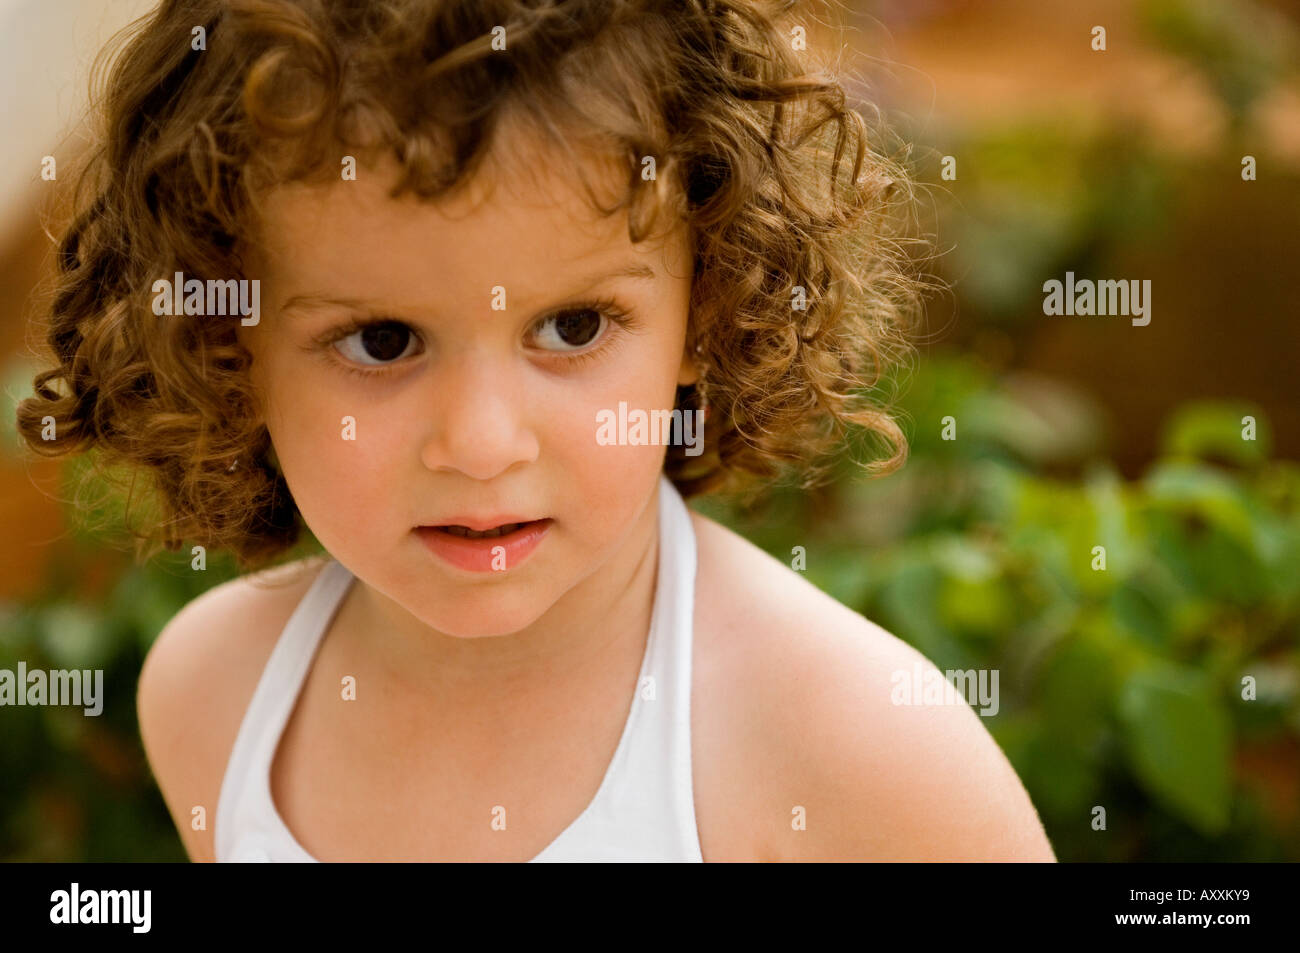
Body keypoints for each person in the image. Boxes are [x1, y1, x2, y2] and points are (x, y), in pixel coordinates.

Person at [17, 0, 1055, 862]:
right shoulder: (216, 694)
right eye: (381, 340)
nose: (479, 443)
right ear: (222, 338)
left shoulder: (850, 742)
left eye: (571, 327)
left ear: (706, 306)